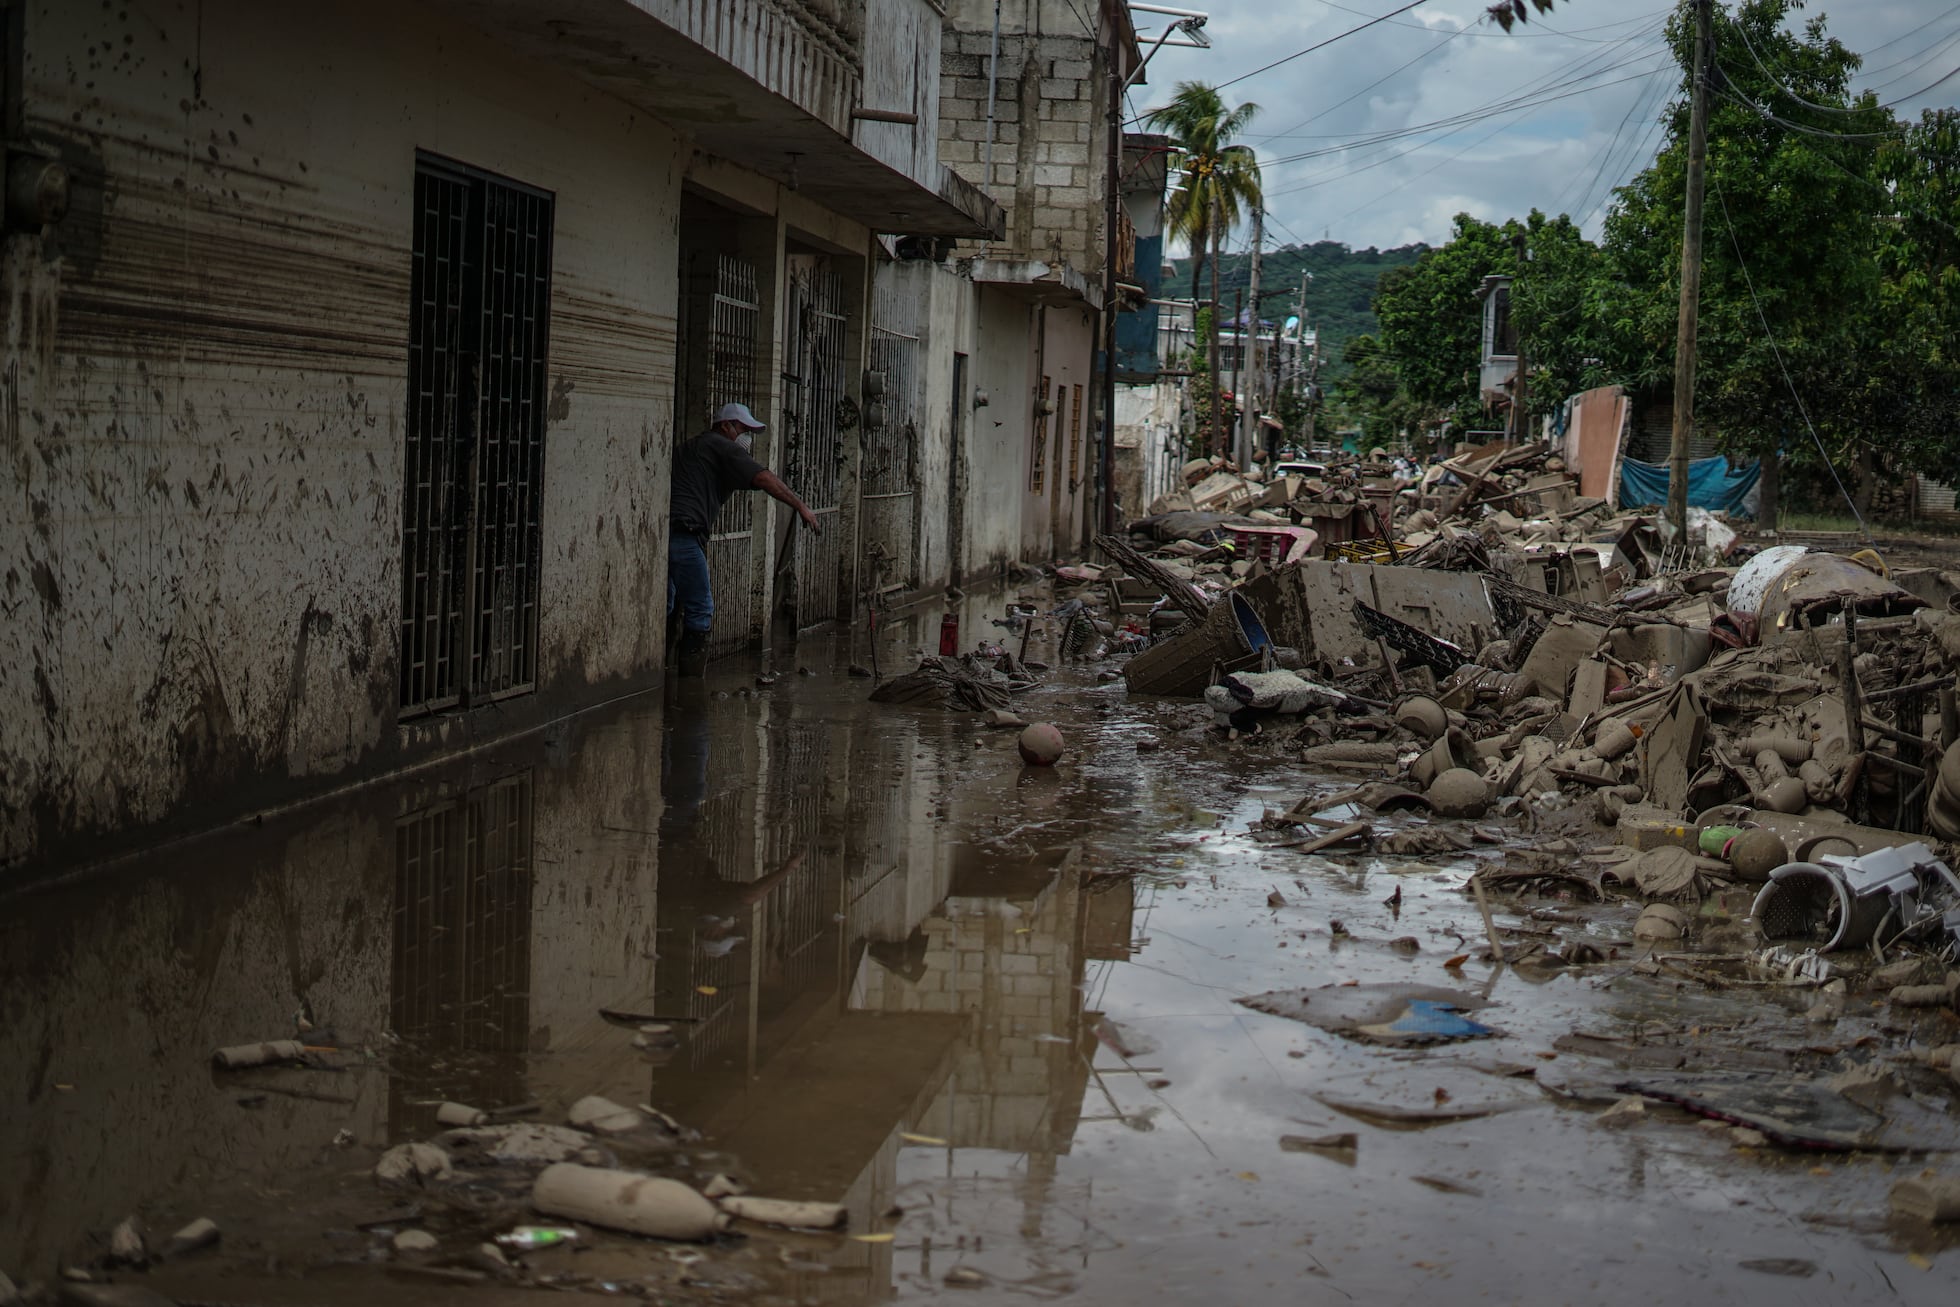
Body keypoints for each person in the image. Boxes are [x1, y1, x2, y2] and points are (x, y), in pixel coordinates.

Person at [668, 402, 821, 676]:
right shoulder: (720, 445)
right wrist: (800, 506)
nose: (748, 436)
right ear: (725, 426)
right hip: (685, 536)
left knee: (668, 605)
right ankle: (689, 690)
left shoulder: (692, 448)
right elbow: (763, 478)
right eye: (744, 429)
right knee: (701, 610)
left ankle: (664, 681)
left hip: (666, 535)